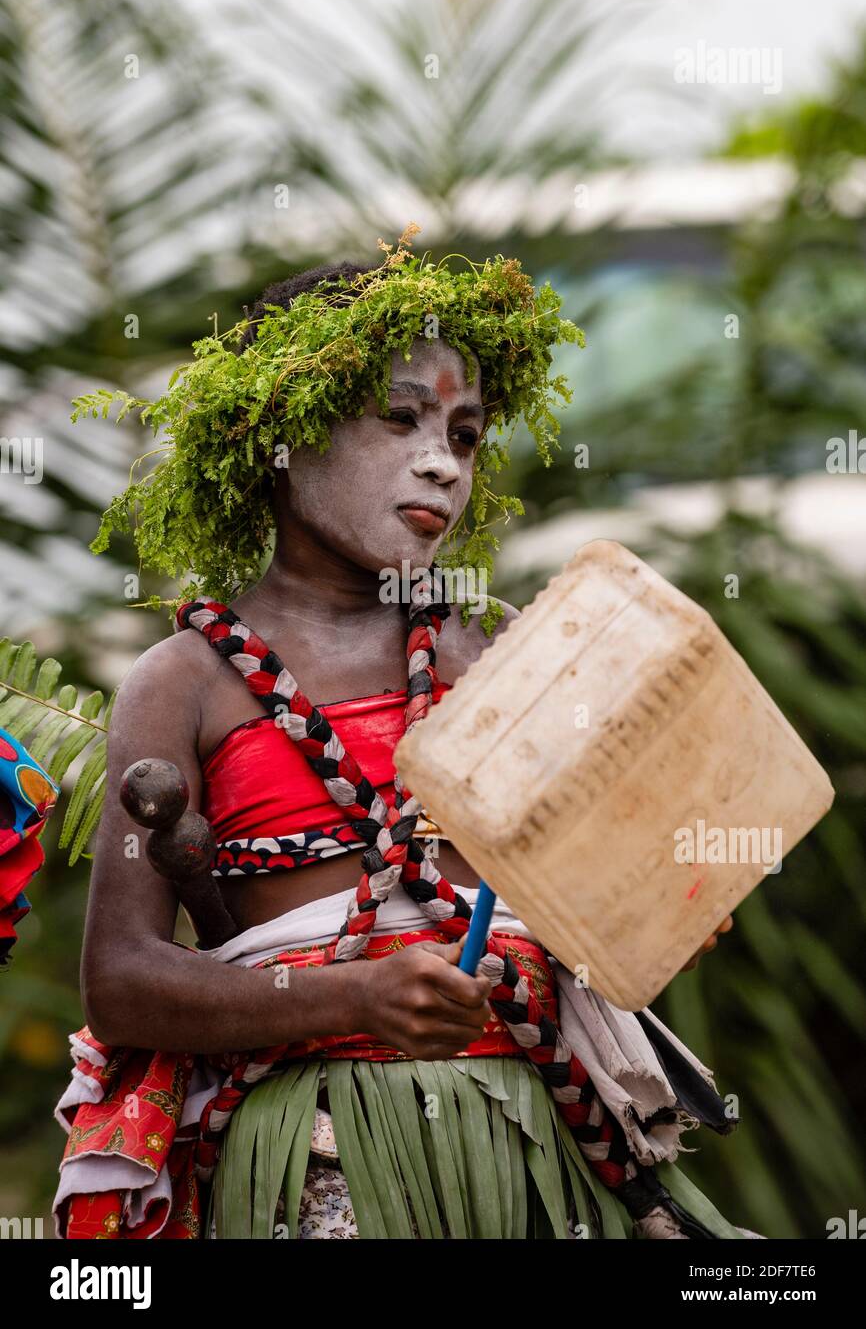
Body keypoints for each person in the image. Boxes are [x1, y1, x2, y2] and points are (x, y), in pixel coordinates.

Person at [54, 235, 748, 1240]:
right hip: (322, 1156)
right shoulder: (187, 679)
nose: (440, 462)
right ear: (282, 432)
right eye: (400, 418)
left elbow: (575, 927)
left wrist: (653, 912)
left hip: (541, 1148)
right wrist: (354, 994)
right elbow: (121, 984)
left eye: (464, 436)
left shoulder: (506, 650)